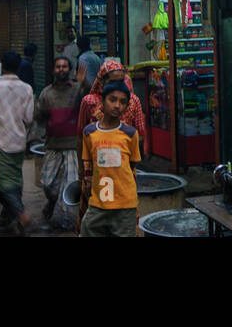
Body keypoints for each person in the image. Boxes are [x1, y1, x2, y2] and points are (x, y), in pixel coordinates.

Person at [0, 51, 36, 234]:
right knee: (15, 179)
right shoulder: (27, 89)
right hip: (19, 140)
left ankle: (21, 214)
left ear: (2, 65)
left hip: (1, 142)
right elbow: (29, 119)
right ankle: (10, 216)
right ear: (19, 66)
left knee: (2, 184)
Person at [79, 80, 141, 237]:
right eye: (112, 99)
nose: (117, 105)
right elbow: (88, 166)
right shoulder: (89, 133)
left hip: (125, 204)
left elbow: (132, 164)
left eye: (122, 102)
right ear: (102, 101)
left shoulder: (130, 134)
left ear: (127, 106)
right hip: (98, 203)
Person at [34, 55, 83, 230]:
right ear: (53, 70)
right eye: (58, 67)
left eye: (64, 66)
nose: (61, 69)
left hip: (72, 146)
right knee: (47, 184)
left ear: (69, 70)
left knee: (70, 185)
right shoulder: (46, 93)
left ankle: (67, 221)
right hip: (53, 145)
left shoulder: (78, 89)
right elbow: (39, 118)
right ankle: (51, 201)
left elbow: (93, 100)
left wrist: (83, 83)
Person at [77, 59, 147, 139]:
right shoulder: (89, 101)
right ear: (102, 81)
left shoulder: (133, 101)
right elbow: (81, 134)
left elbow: (140, 134)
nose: (117, 85)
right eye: (112, 82)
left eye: (120, 81)